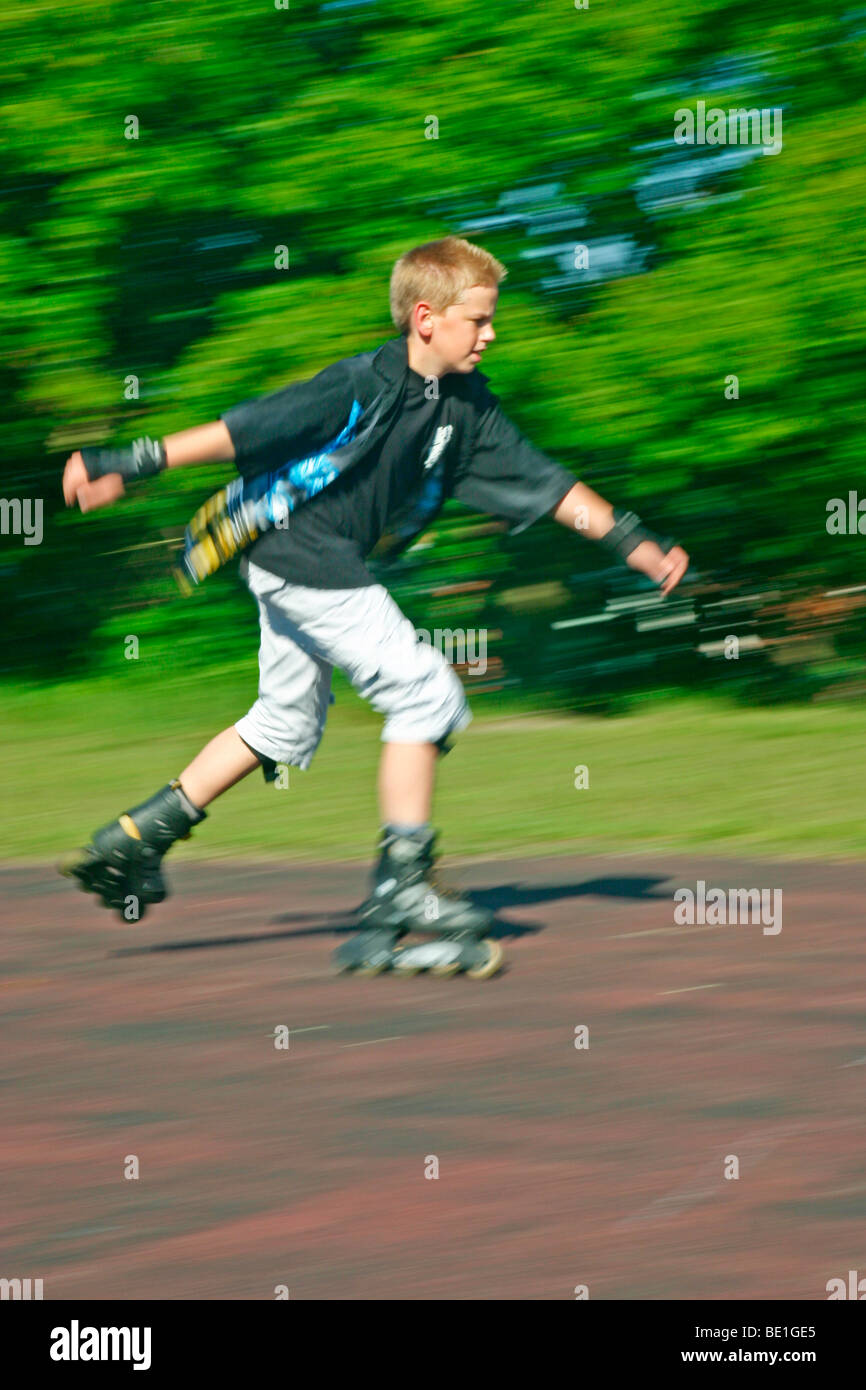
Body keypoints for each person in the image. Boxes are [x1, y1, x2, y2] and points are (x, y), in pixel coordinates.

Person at [60, 236, 689, 976]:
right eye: (478, 319)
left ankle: (139, 835)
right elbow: (243, 429)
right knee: (428, 693)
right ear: (426, 317)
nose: (492, 333)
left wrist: (632, 541)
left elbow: (545, 484)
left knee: (283, 722)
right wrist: (121, 464)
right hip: (302, 553)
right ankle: (404, 887)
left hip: (301, 563)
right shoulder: (358, 383)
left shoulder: (467, 410)